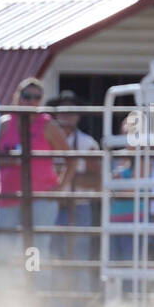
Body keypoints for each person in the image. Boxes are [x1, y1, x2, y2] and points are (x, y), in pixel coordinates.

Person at [0, 78, 68, 258]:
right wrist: (9, 160)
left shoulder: (48, 124)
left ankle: (36, 285)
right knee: (2, 249)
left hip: (40, 197)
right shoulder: (4, 124)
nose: (31, 101)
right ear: (17, 97)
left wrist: (62, 185)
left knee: (36, 249)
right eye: (26, 96)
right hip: (7, 195)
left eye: (36, 97)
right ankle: (4, 285)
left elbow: (70, 156)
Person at [52, 90, 101, 261]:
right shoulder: (45, 139)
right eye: (63, 110)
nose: (66, 115)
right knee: (49, 254)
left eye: (71, 111)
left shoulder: (88, 144)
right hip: (50, 205)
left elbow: (98, 182)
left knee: (77, 256)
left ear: (78, 116)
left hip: (78, 205)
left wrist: (68, 176)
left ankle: (79, 288)